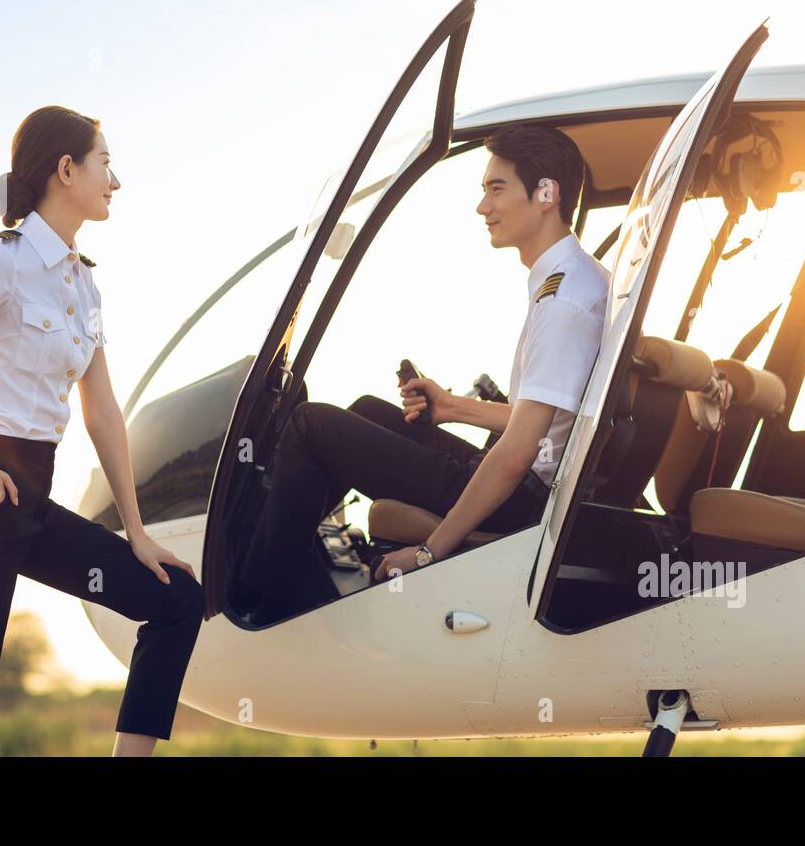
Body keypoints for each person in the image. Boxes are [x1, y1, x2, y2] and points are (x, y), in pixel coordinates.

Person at [0, 105, 204, 757]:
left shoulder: (85, 284)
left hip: (30, 497)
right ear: (66, 170)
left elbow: (103, 412)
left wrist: (136, 533)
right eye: (105, 164)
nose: (116, 181)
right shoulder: (0, 262)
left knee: (176, 601)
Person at [230, 124, 610, 624]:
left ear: (546, 195)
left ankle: (264, 603)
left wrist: (431, 550)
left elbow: (518, 453)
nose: (483, 207)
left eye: (496, 189)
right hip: (532, 482)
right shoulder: (580, 278)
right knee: (368, 410)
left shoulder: (562, 302)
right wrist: (450, 408)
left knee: (310, 425)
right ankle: (292, 555)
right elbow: (546, 417)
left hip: (521, 501)